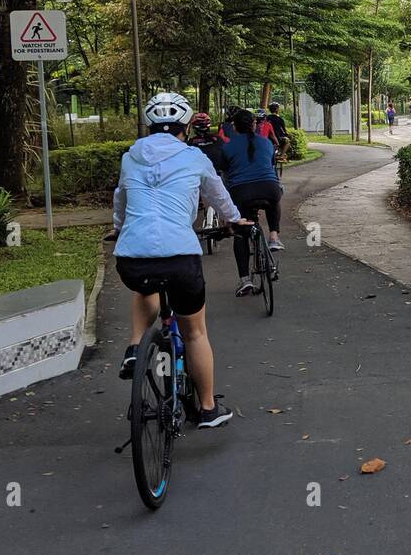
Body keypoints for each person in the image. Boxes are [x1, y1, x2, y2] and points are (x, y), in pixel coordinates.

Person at [112, 92, 251, 428]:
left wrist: (118, 229)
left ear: (149, 126)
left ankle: (134, 347)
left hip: (132, 258)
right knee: (195, 334)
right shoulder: (194, 157)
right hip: (180, 257)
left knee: (144, 287)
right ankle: (206, 409)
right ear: (186, 126)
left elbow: (122, 198)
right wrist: (234, 221)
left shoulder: (131, 157)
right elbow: (217, 195)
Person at [220, 108, 285, 296]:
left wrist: (228, 206)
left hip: (242, 193)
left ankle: (245, 280)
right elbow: (270, 169)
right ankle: (274, 237)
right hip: (269, 188)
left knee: (241, 234)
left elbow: (225, 177)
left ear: (234, 127)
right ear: (255, 125)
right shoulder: (266, 143)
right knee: (274, 198)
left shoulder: (227, 147)